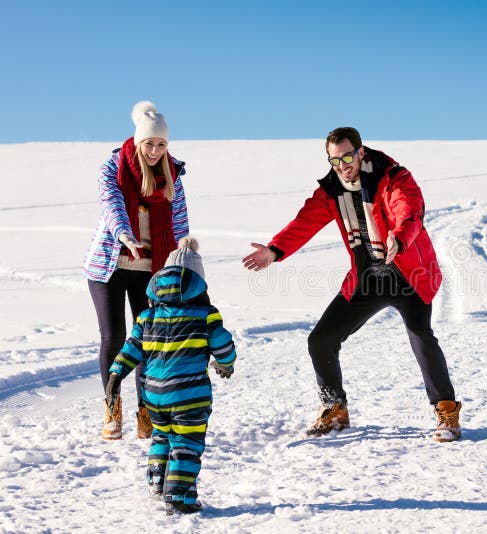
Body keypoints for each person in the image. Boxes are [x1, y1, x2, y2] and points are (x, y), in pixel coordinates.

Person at [242, 127, 462, 442]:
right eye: (335, 160)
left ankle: (446, 412)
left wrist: (399, 238)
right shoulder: (332, 190)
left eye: (348, 156)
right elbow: (305, 222)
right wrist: (275, 250)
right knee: (320, 339)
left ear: (360, 152)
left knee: (420, 335)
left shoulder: (394, 177)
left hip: (409, 273)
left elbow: (409, 210)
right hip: (368, 278)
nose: (343, 165)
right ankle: (334, 410)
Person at [106, 237, 236, 515]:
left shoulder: (146, 317)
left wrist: (116, 375)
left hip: (153, 394)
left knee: (162, 436)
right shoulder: (205, 315)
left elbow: (131, 349)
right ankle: (178, 496)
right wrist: (226, 365)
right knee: (186, 442)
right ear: (198, 282)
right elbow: (223, 346)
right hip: (189, 395)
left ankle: (158, 483)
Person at [83, 101, 190, 441]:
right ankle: (112, 408)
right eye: (150, 143)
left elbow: (180, 222)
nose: (156, 150)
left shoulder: (173, 174)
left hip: (150, 268)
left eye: (161, 144)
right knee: (114, 337)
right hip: (111, 265)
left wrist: (184, 261)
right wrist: (124, 234)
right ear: (139, 141)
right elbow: (112, 203)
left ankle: (146, 412)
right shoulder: (113, 167)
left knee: (147, 341)